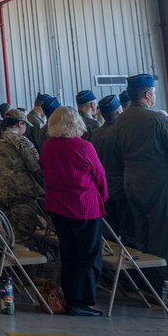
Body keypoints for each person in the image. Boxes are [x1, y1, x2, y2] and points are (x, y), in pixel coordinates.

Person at [39, 106, 108, 316]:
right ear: (76, 122)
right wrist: (102, 199)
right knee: (88, 255)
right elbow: (99, 176)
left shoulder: (48, 146)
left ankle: (69, 296)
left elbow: (43, 170)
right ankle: (81, 301)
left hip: (57, 206)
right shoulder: (84, 147)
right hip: (84, 207)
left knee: (68, 252)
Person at [113, 74, 168, 281]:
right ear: (148, 95)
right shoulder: (157, 119)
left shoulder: (120, 121)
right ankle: (164, 285)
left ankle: (145, 281)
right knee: (163, 235)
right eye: (154, 93)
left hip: (131, 182)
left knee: (142, 233)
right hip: (159, 185)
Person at [0, 112, 45, 246]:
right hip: (20, 193)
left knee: (5, 234)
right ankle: (24, 260)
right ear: (20, 123)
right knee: (22, 235)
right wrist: (45, 186)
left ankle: (7, 258)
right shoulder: (20, 140)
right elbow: (35, 166)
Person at [88, 94, 133, 241]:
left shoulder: (94, 135)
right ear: (119, 112)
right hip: (123, 188)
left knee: (110, 234)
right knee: (129, 233)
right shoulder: (124, 132)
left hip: (104, 189)